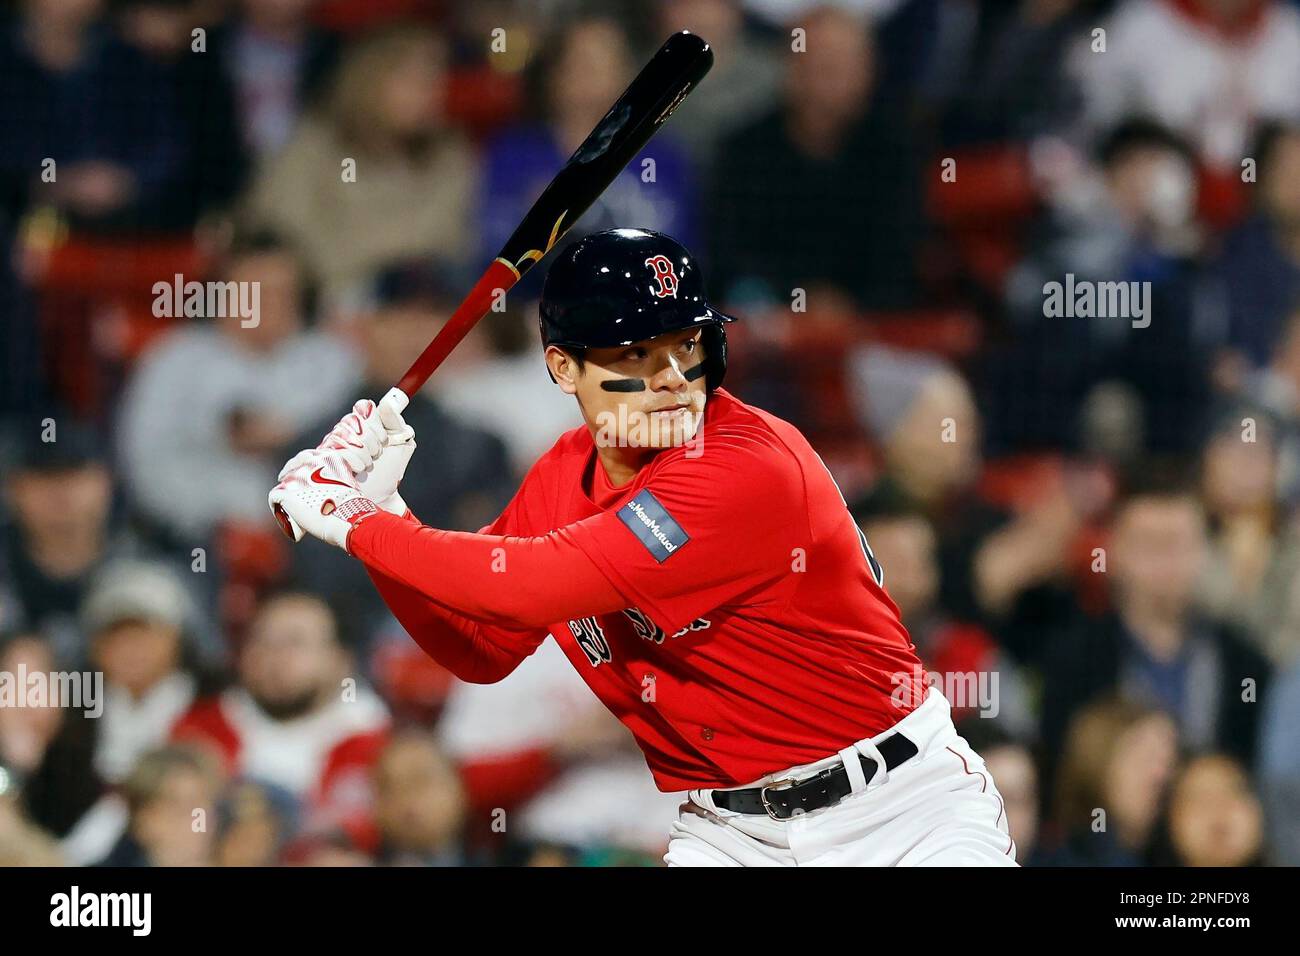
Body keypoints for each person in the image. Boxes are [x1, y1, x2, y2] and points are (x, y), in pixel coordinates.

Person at [268, 228, 1015, 866]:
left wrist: (355, 516)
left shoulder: (747, 464)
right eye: (634, 355)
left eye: (684, 345)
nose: (673, 380)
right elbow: (478, 647)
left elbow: (526, 584)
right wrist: (385, 516)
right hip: (730, 832)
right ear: (565, 368)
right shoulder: (564, 475)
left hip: (900, 814)